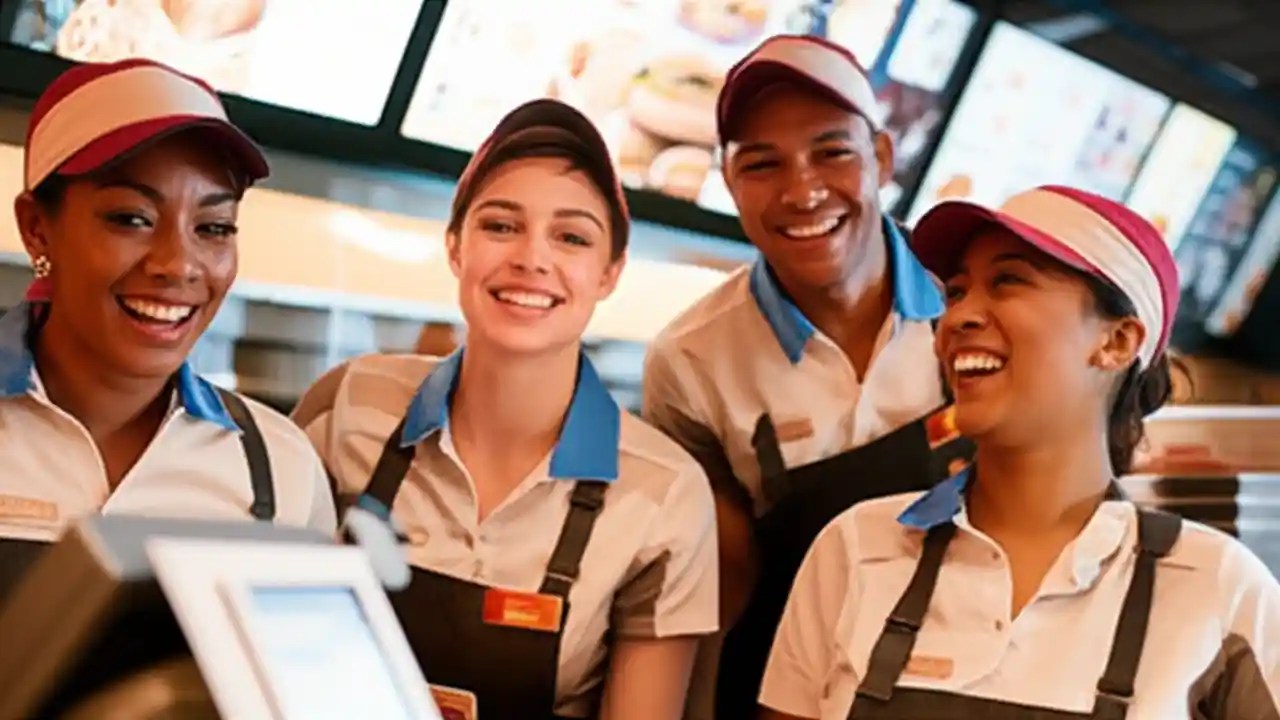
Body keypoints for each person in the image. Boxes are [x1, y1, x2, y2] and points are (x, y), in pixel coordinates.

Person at [760, 185, 1280, 719]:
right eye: (956, 291)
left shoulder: (1216, 588)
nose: (957, 318)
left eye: (1008, 281)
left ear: (1117, 342)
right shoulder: (857, 548)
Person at [295, 99, 718, 720]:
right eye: (500, 226)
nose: (531, 258)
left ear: (609, 274)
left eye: (571, 237)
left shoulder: (665, 495)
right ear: (455, 248)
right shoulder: (350, 404)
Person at [641, 34, 971, 718]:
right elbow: (712, 591)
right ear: (729, 181)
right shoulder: (692, 361)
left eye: (832, 152)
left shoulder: (974, 305)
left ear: (881, 157)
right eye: (762, 164)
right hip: (790, 689)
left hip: (966, 679)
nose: (802, 190)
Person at [0, 58, 338, 596]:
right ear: (38, 229)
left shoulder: (277, 468)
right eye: (132, 218)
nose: (178, 264)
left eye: (214, 227)